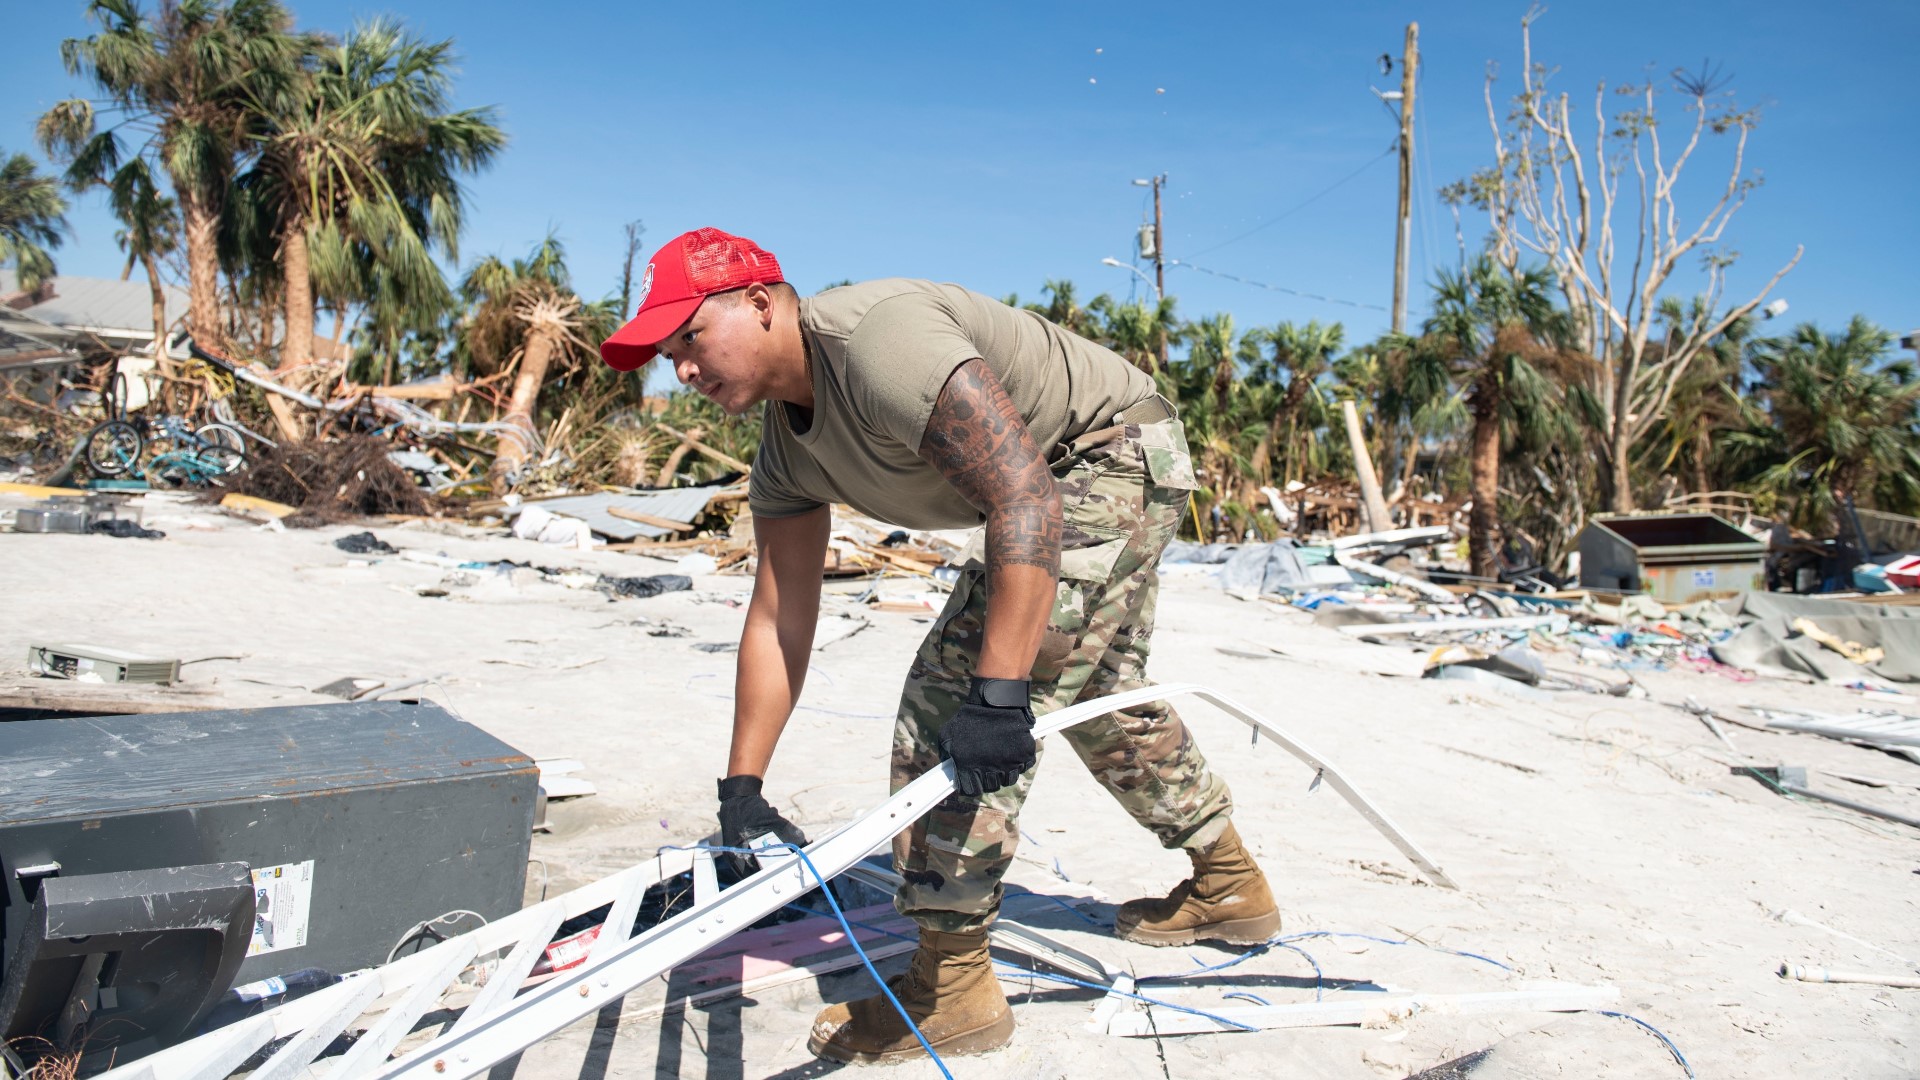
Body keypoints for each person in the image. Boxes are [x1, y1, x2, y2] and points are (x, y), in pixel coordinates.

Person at [600, 228, 1280, 1064]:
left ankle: (952, 987)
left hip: (1108, 450)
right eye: (671, 356)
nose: (686, 371)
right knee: (1092, 692)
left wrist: (995, 694)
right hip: (1070, 475)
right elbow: (780, 613)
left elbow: (1024, 494)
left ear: (760, 302)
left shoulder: (879, 344)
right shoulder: (787, 452)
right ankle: (1228, 882)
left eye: (691, 340)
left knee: (954, 700)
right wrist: (743, 784)